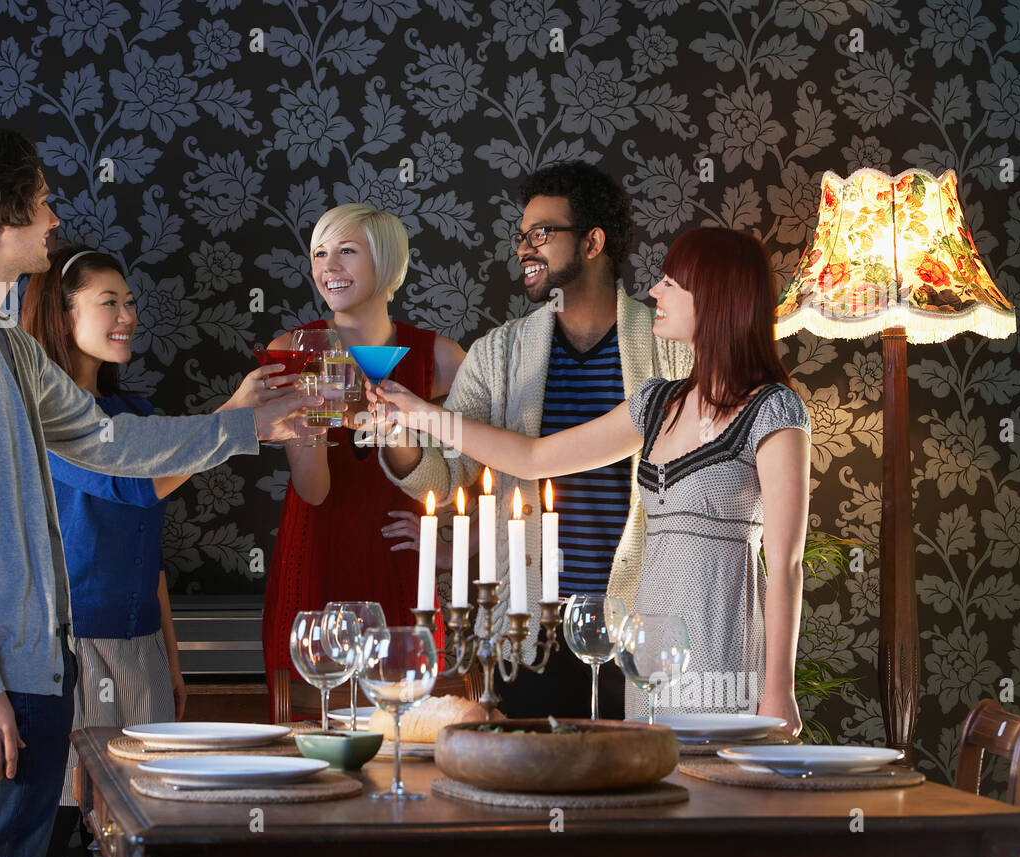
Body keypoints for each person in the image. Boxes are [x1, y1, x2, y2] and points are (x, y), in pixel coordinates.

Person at [0, 128, 322, 857]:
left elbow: (111, 445)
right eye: (44, 201)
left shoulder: (2, 341)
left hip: (39, 669)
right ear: (2, 211)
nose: (55, 219)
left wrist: (249, 425)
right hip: (5, 678)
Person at [372, 227, 810, 733]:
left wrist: (779, 692)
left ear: (715, 297)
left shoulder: (774, 409)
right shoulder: (657, 402)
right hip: (647, 661)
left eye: (671, 283)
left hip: (722, 651)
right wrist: (423, 416)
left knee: (717, 802)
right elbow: (533, 457)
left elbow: (786, 563)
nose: (654, 291)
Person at [377, 161, 691, 719]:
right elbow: (444, 476)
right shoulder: (496, 354)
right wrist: (396, 426)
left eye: (541, 234)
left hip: (643, 625)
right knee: (527, 791)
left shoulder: (671, 351)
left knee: (643, 795)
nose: (525, 248)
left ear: (593, 242)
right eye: (521, 236)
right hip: (530, 628)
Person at [19, 245, 290, 857]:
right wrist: (236, 416)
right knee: (74, 828)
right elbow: (133, 481)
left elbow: (149, 543)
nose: (128, 316)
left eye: (130, 302)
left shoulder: (131, 414)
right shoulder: (49, 419)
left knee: (151, 830)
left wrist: (171, 658)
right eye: (108, 302)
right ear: (62, 317)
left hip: (142, 650)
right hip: (75, 651)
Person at [260, 203, 466, 711]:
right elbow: (315, 490)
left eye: (347, 252)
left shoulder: (440, 358)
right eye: (320, 253)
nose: (329, 267)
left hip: (401, 564)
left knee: (407, 737)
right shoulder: (292, 349)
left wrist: (443, 540)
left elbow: (477, 473)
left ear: (388, 262)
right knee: (314, 735)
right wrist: (315, 416)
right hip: (315, 558)